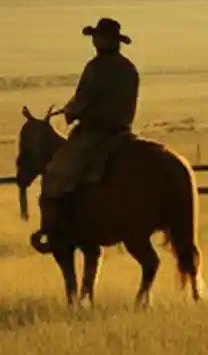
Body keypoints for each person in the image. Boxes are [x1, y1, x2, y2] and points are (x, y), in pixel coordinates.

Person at [40, 17, 140, 237]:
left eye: (98, 37)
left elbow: (84, 97)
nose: (95, 41)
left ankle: (56, 228)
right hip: (123, 130)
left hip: (97, 131)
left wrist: (70, 112)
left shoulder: (96, 68)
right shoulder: (129, 68)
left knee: (57, 171)